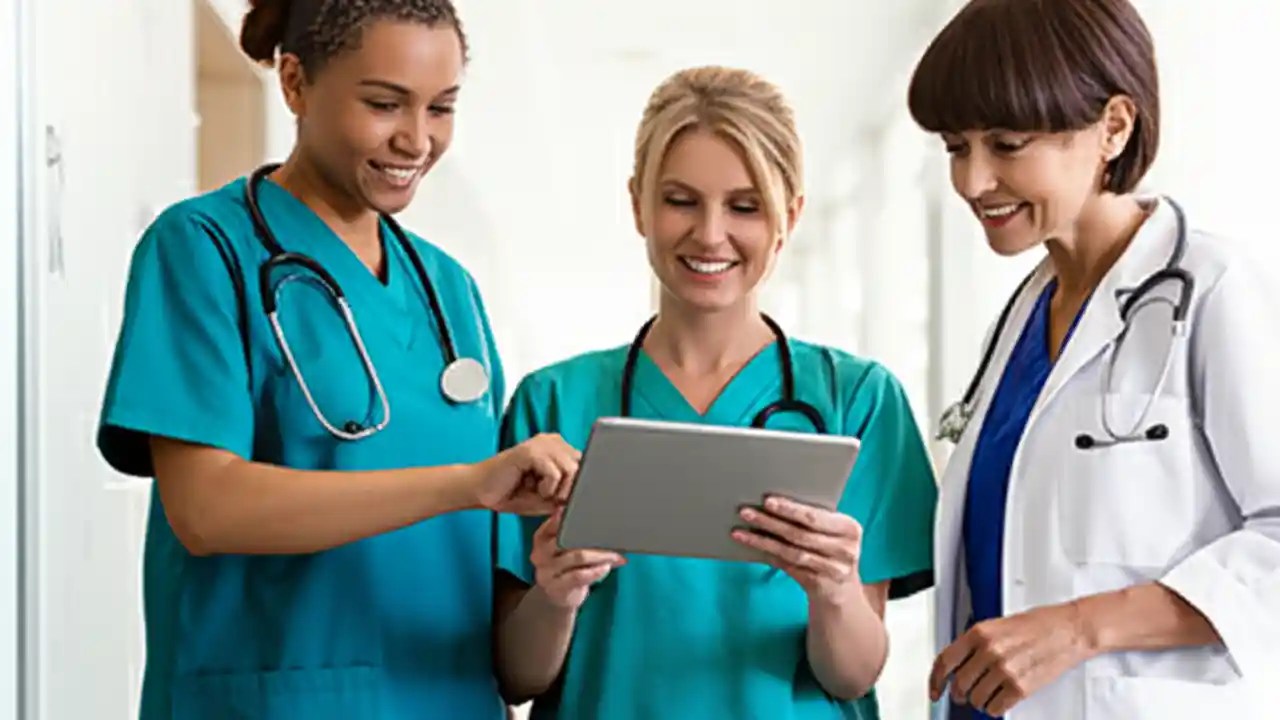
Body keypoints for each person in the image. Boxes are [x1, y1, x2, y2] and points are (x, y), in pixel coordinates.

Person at [95, 1, 580, 718]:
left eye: (441, 108)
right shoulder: (205, 247)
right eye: (384, 104)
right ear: (295, 82)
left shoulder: (450, 293)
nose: (416, 139)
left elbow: (500, 633)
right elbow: (204, 508)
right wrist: (466, 484)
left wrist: (559, 581)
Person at [491, 66, 939, 720]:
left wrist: (836, 590)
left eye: (744, 206)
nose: (708, 233)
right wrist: (555, 596)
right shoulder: (552, 404)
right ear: (638, 205)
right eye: (680, 200)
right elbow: (516, 676)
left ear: (790, 215)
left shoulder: (858, 399)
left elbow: (851, 677)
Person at [907, 0, 1280, 718]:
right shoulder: (1019, 322)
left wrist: (1080, 627)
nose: (973, 181)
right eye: (956, 147)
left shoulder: (1215, 293)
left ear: (1113, 126)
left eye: (1007, 144)